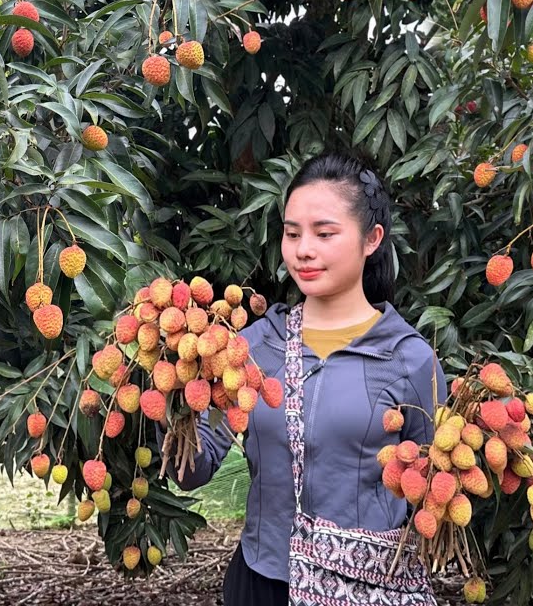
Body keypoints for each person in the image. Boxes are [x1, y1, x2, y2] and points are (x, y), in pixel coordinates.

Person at [163, 150, 447, 605]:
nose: (303, 250)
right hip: (262, 582)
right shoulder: (253, 347)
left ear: (371, 239)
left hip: (363, 587)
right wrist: (172, 393)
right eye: (292, 233)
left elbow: (431, 492)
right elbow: (193, 471)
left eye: (324, 233)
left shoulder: (409, 359)